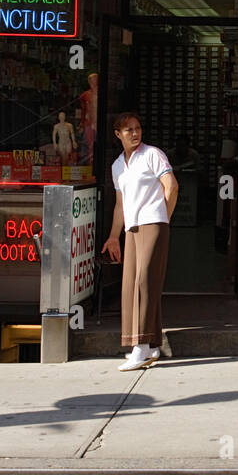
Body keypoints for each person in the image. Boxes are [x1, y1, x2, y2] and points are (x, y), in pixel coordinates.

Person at [101, 112, 178, 372]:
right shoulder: (117, 166)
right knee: (132, 283)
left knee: (144, 280)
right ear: (117, 134)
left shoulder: (152, 154)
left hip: (153, 221)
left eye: (137, 128)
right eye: (128, 130)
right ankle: (152, 344)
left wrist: (162, 218)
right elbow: (120, 205)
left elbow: (172, 186)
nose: (135, 133)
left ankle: (141, 347)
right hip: (132, 226)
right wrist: (114, 235)